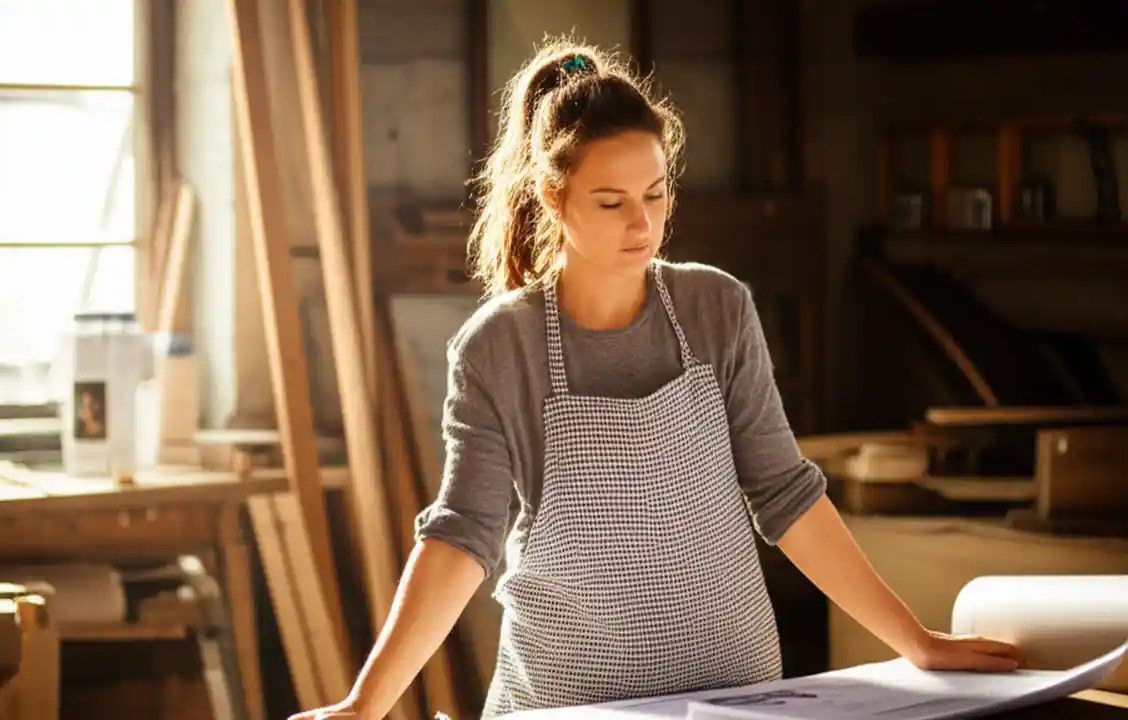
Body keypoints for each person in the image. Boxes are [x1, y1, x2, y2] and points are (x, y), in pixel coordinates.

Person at [291, 40, 1021, 720]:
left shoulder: (716, 309)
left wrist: (915, 642)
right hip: (569, 704)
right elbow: (462, 538)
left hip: (736, 692)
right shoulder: (498, 348)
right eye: (611, 202)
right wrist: (366, 705)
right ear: (553, 196)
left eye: (657, 193)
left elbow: (786, 495)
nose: (642, 223)